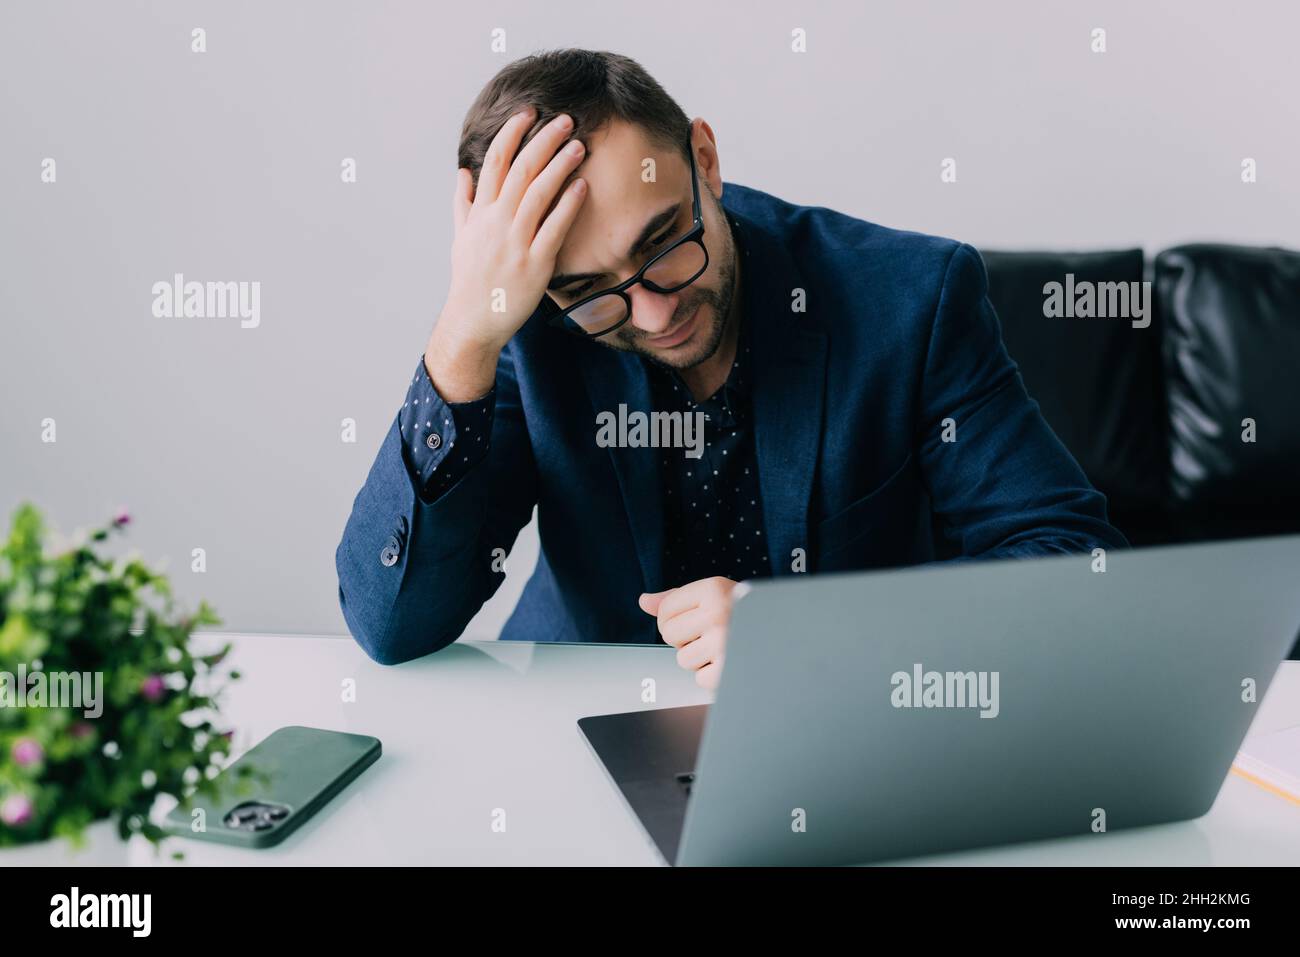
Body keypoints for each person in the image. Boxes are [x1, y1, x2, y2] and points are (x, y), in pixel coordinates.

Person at [336, 49, 1127, 685]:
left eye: (662, 246)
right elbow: (392, 627)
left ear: (704, 162)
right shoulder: (531, 324)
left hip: (842, 722)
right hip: (575, 716)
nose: (652, 313)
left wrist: (807, 636)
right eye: (590, 292)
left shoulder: (912, 298)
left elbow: (1075, 563)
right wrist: (462, 337)